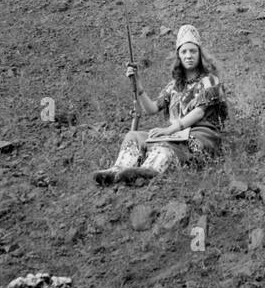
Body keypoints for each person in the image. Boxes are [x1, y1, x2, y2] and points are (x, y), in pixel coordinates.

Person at [93, 24, 229, 186]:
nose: (189, 55)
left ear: (200, 54)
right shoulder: (173, 86)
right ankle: (117, 171)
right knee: (133, 136)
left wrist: (169, 130)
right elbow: (151, 109)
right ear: (178, 55)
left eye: (193, 51)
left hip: (201, 137)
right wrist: (138, 86)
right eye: (184, 51)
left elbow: (199, 112)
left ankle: (149, 171)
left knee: (165, 142)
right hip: (176, 136)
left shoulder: (210, 80)